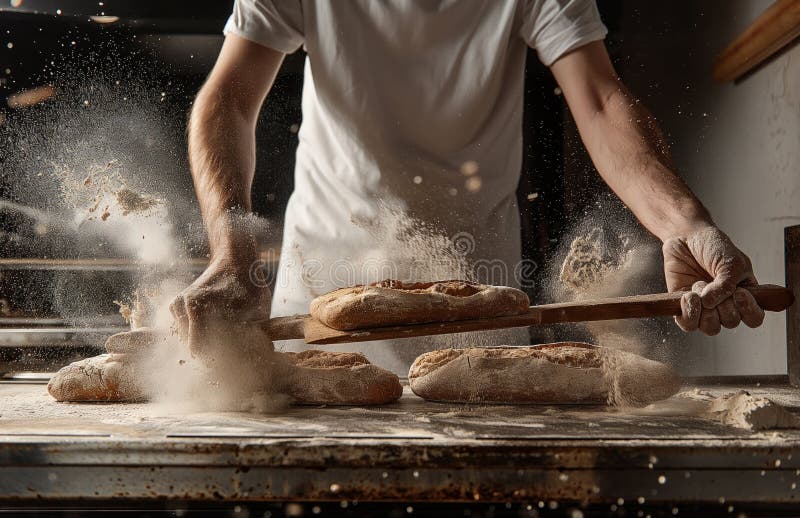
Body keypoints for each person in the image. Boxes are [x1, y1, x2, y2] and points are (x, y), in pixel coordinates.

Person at [170, 0, 765, 370]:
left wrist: (686, 223)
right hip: (325, 310)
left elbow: (601, 100)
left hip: (478, 313)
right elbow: (229, 99)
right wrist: (231, 250)